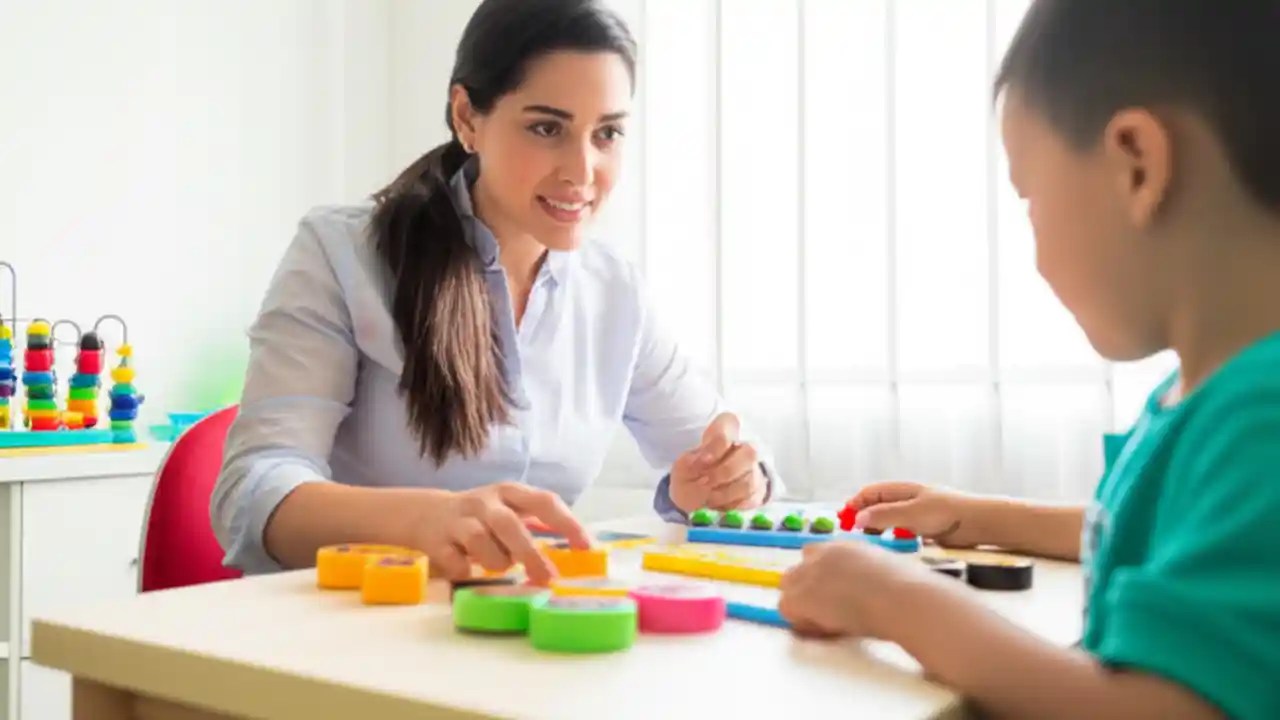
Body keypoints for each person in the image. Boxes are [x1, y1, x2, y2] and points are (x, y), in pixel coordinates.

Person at [778, 1, 1280, 718]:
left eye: (1030, 198)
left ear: (1137, 165)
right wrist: (976, 516)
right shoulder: (1213, 395)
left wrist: (900, 603)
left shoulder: (1260, 415)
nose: (1036, 251)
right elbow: (1152, 532)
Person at [211, 0, 779, 586]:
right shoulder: (343, 254)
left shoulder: (613, 291)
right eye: (546, 128)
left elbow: (735, 453)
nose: (582, 171)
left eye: (607, 133)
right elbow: (252, 491)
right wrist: (419, 523)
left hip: (522, 637)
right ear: (467, 117)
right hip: (353, 629)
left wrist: (730, 481)